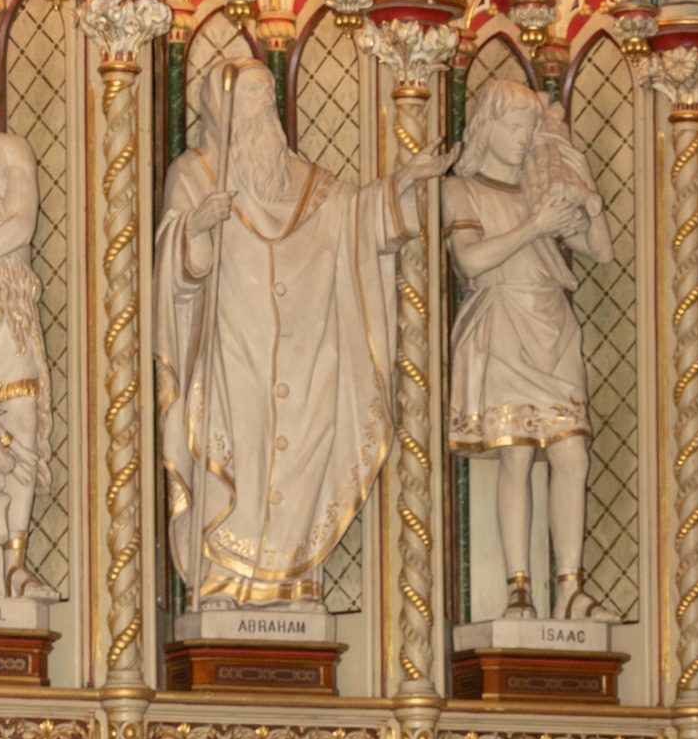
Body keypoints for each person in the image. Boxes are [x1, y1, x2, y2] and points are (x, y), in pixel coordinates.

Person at [154, 60, 445, 609]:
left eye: (269, 95)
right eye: (252, 96)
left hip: (308, 349)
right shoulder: (195, 173)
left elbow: (355, 214)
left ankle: (291, 579)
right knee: (241, 447)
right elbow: (175, 270)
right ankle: (220, 580)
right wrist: (196, 227)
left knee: (305, 446)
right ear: (221, 107)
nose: (266, 106)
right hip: (233, 345)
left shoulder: (307, 181)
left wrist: (404, 181)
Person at [444, 80, 615, 622]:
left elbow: (600, 250)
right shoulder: (462, 189)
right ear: (487, 128)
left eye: (529, 127)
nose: (523, 138)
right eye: (515, 126)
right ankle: (519, 587)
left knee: (572, 453)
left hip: (553, 324)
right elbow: (470, 261)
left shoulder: (541, 185)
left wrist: (589, 197)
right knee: (516, 453)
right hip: (503, 320)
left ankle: (571, 588)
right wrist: (535, 226)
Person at [0, 83, 52, 601]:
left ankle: (15, 564)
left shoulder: (13, 150)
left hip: (5, 298)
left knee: (22, 420)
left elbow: (21, 223)